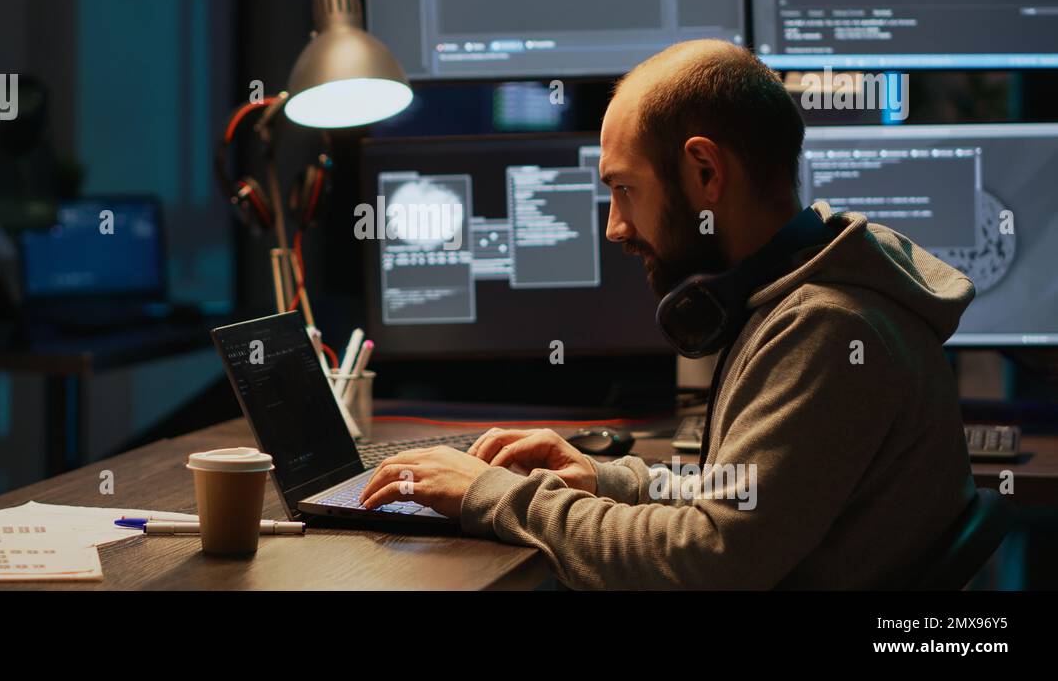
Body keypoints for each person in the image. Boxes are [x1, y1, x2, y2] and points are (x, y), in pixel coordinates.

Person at [358, 39, 978, 589]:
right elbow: (737, 502)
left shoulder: (828, 328)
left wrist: (491, 495)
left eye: (624, 189)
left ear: (706, 174)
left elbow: (710, 559)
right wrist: (604, 480)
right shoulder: (797, 299)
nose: (614, 227)